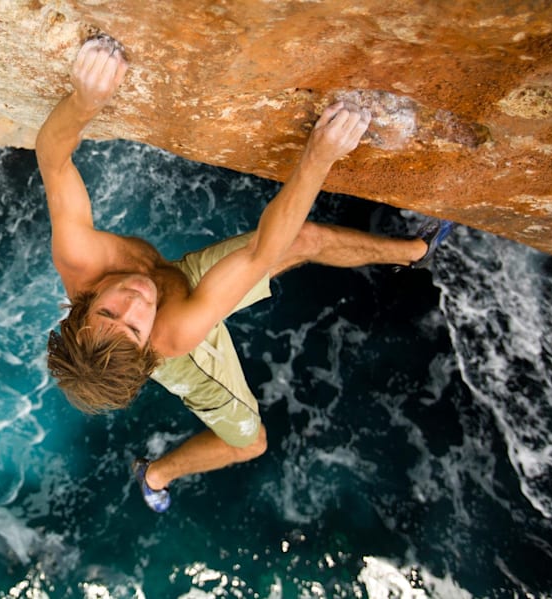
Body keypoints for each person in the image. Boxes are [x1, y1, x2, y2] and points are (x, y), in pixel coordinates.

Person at [37, 34, 452, 513]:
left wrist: (85, 98)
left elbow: (52, 155)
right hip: (188, 334)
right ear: (145, 343)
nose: (134, 298)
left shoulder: (81, 259)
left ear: (85, 302)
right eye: (132, 326)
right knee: (250, 442)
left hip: (177, 284)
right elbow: (260, 253)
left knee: (298, 241)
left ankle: (414, 251)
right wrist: (317, 157)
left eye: (110, 310)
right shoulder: (175, 332)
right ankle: (156, 474)